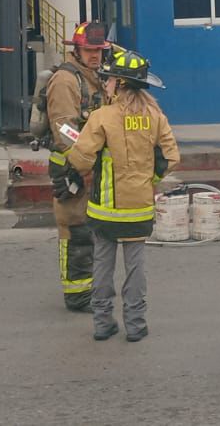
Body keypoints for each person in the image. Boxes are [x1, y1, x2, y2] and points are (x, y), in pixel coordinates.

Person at [64, 47, 180, 343]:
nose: (106, 83)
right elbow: (170, 157)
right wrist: (149, 179)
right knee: (136, 267)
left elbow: (81, 158)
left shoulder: (103, 117)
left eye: (110, 79)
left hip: (105, 210)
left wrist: (78, 166)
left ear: (120, 83)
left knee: (102, 265)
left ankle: (103, 323)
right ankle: (136, 325)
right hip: (139, 208)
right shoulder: (155, 117)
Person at [45, 21, 110, 312]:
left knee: (92, 229)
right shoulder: (65, 81)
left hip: (90, 166)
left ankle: (90, 288)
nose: (95, 55)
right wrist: (81, 163)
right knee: (75, 229)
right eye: (89, 50)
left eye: (99, 50)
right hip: (70, 167)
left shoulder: (95, 76)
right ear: (77, 50)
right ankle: (77, 294)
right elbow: (64, 130)